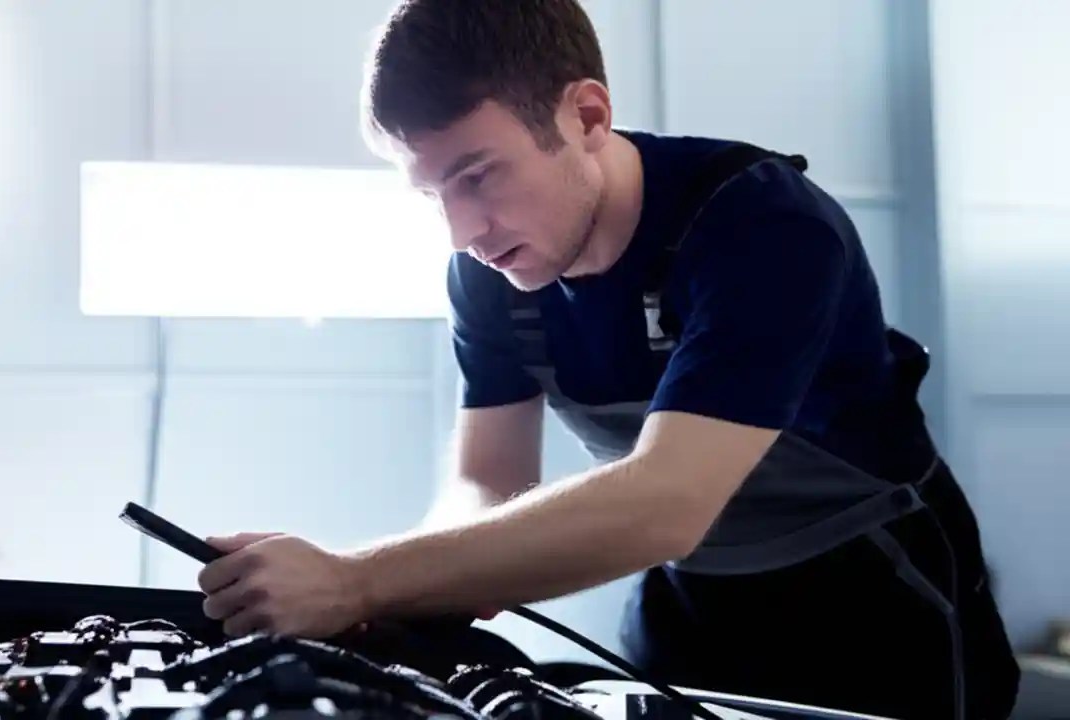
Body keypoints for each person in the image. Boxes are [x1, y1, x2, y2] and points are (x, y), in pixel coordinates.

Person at [195, 1, 1019, 717]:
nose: (462, 233)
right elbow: (488, 480)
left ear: (586, 116)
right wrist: (415, 594)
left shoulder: (762, 227)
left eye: (477, 175)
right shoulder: (492, 270)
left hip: (875, 610)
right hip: (685, 610)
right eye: (432, 194)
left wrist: (357, 579)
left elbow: (666, 501)